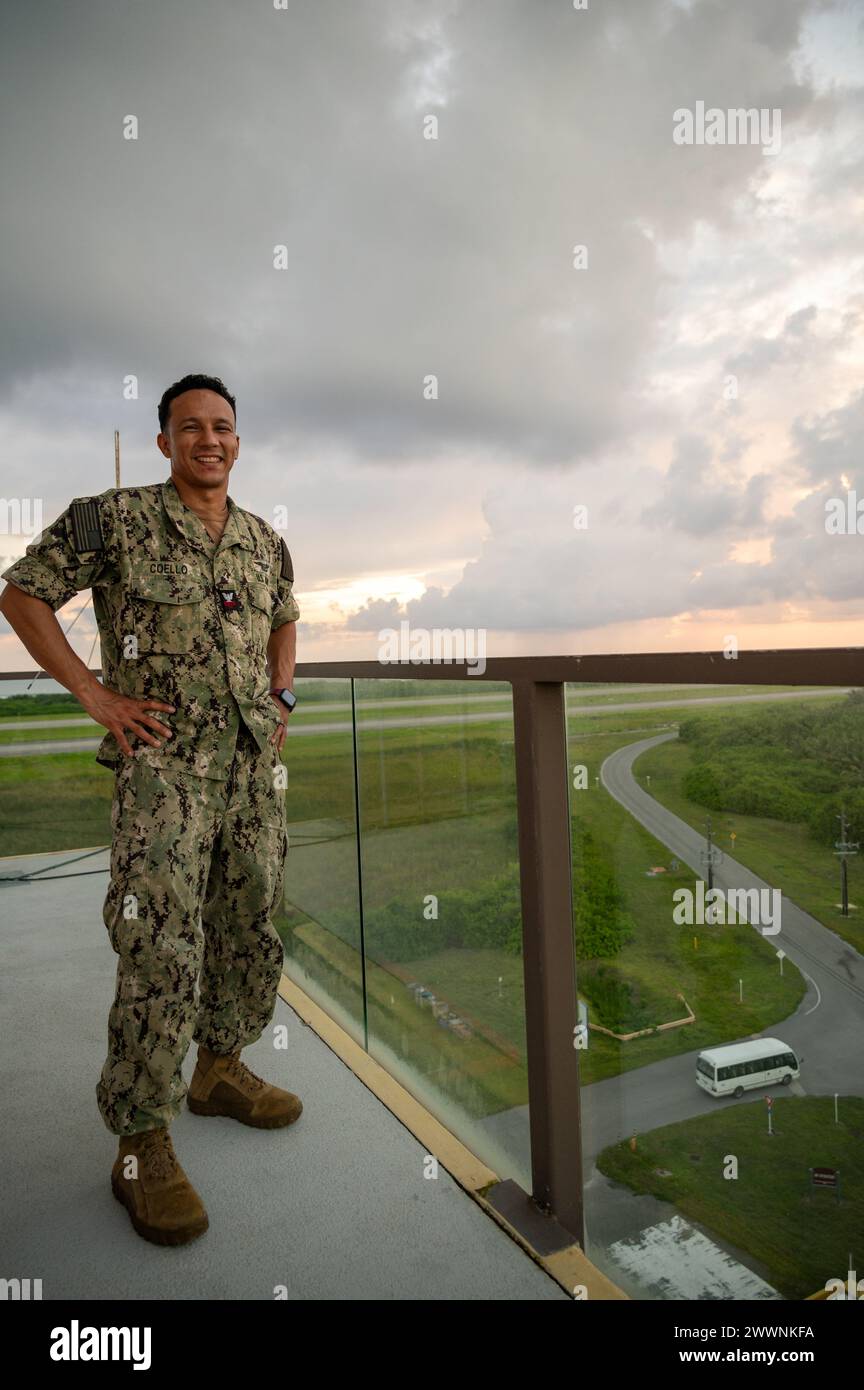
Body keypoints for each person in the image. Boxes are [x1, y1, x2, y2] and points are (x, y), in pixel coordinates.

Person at [0, 373, 303, 1246]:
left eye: (223, 426)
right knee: (160, 942)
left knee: (249, 922)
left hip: (251, 769)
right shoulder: (114, 519)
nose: (209, 439)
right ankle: (140, 1143)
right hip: (164, 773)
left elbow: (285, 616)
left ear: (238, 441)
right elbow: (21, 594)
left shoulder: (262, 539)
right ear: (165, 441)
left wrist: (281, 695)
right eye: (190, 427)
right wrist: (95, 695)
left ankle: (220, 1069)